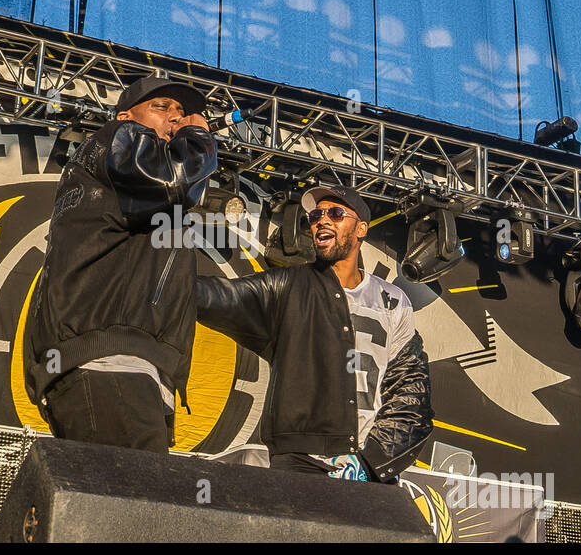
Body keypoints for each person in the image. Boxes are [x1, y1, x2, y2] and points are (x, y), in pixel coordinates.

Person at [24, 76, 218, 452]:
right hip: (109, 366)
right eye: (162, 108)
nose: (176, 118)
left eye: (182, 112)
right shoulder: (120, 138)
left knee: (121, 503)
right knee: (138, 502)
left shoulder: (126, 187)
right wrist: (198, 139)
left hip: (116, 369)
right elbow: (173, 181)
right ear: (126, 115)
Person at [195, 185, 434, 482]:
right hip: (299, 462)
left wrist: (371, 462)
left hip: (364, 468)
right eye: (316, 215)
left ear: (360, 229)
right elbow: (220, 296)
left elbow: (411, 395)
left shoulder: (393, 300)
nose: (322, 220)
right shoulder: (288, 286)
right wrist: (167, 277)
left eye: (335, 213)